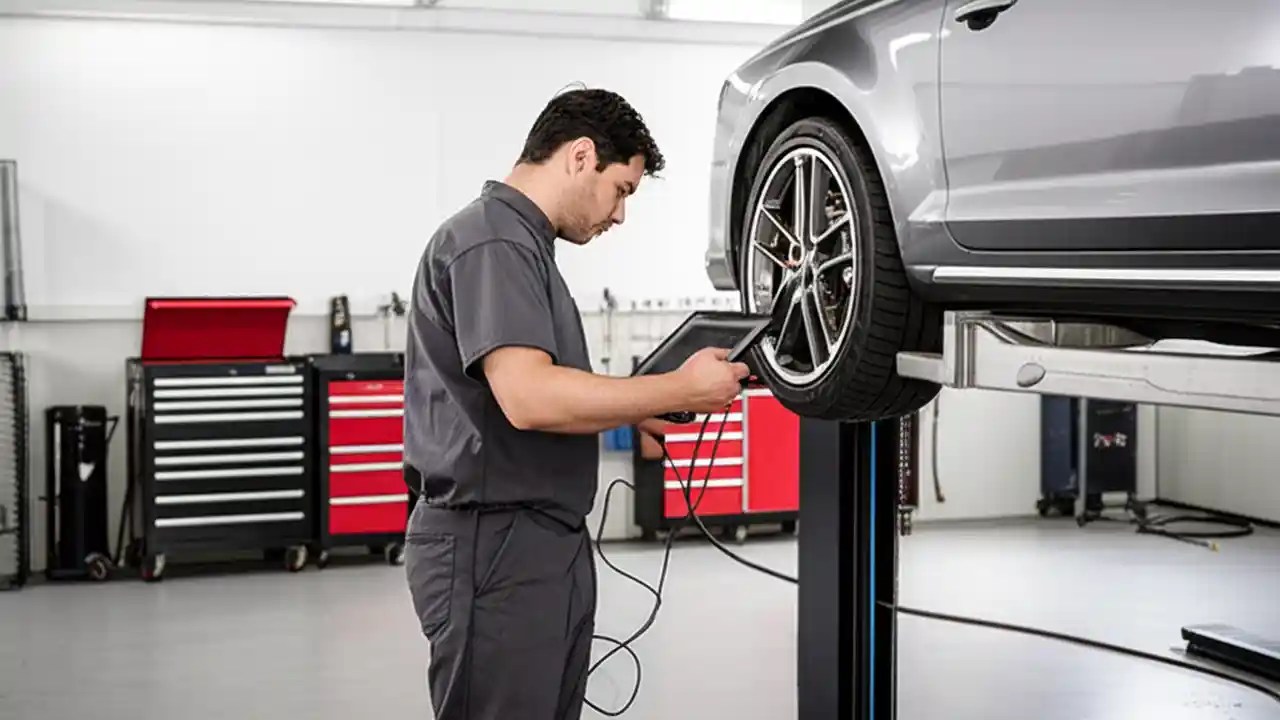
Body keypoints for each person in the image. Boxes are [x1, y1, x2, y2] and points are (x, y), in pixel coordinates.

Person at [402, 87, 750, 720]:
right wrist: (678, 388)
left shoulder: (524, 246)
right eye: (622, 190)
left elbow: (537, 390)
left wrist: (632, 406)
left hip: (536, 541)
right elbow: (529, 396)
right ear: (581, 156)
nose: (619, 216)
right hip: (495, 544)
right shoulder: (493, 242)